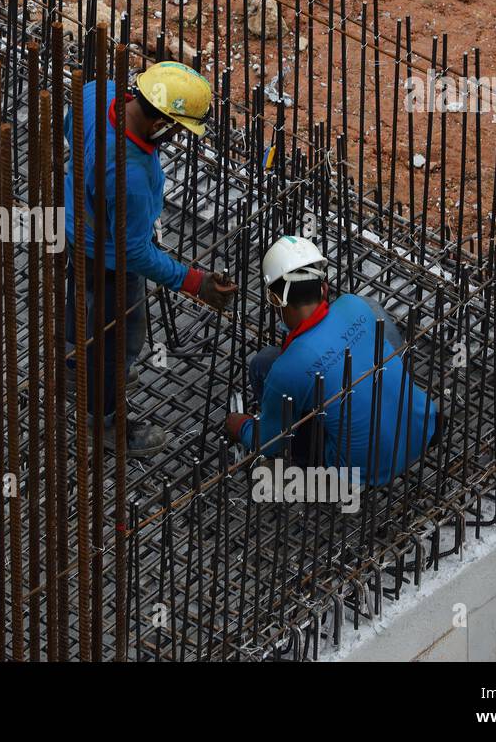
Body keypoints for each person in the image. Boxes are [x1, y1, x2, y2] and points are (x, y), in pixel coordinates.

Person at [64, 61, 235, 458]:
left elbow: (70, 123)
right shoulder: (132, 176)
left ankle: (75, 370)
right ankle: (104, 422)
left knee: (80, 298)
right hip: (106, 256)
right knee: (119, 340)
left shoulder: (97, 92)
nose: (176, 136)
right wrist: (195, 283)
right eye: (177, 128)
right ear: (160, 120)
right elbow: (136, 252)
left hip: (72, 226)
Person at [224, 235, 436, 486]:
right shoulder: (355, 305)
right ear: (323, 288)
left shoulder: (286, 370)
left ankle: (297, 463)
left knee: (263, 365)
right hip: (424, 430)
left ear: (275, 300)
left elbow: (269, 442)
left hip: (361, 474)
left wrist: (241, 428)